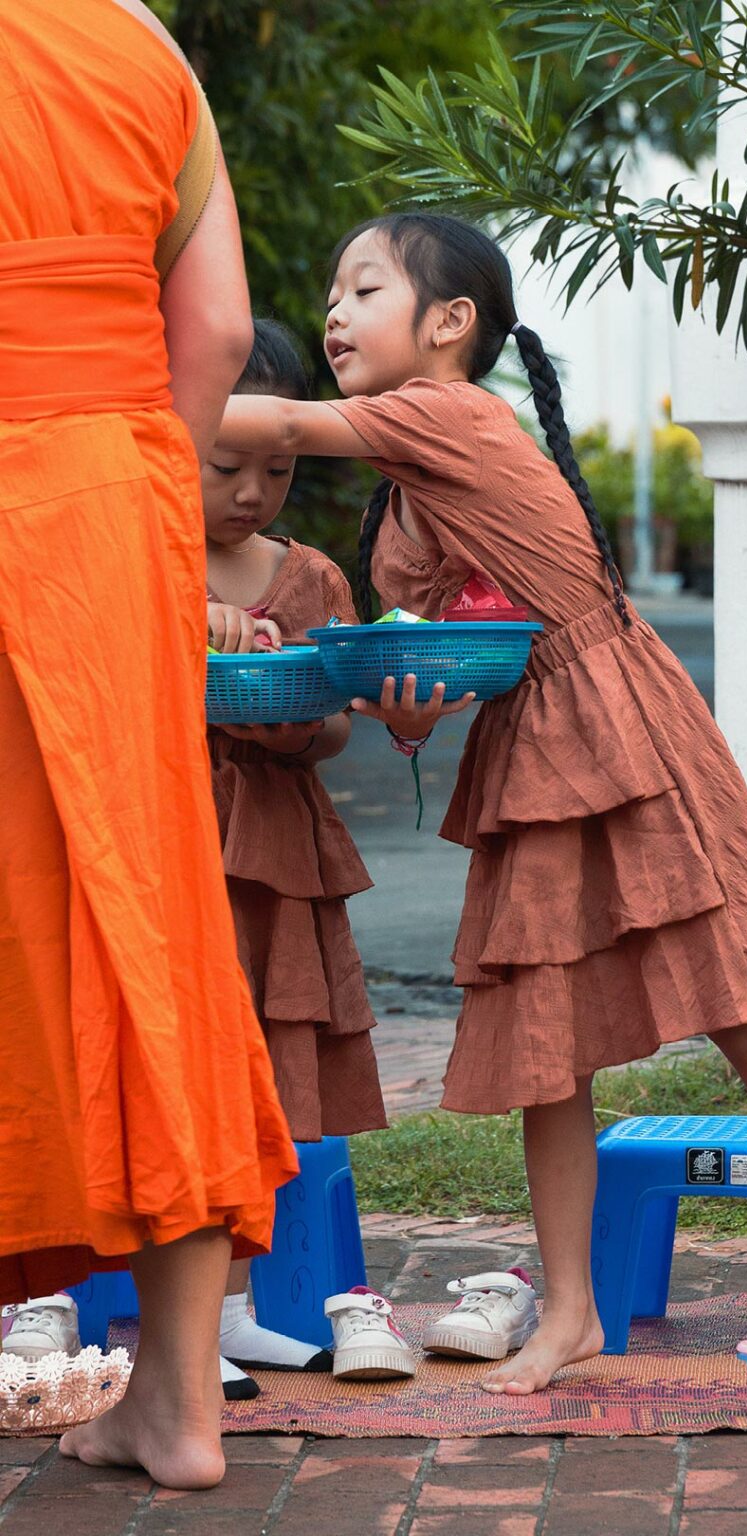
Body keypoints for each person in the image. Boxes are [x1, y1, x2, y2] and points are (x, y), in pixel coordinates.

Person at [218, 211, 747, 1397]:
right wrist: (404, 701)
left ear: (449, 326)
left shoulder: (454, 414)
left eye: (359, 287)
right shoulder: (402, 509)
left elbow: (263, 421)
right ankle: (568, 1310)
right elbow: (424, 700)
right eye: (329, 291)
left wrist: (115, 396)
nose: (331, 312)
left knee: (735, 992)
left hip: (621, 724)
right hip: (530, 756)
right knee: (546, 1040)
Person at [0, 0, 297, 1487]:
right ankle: (179, 1407)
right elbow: (224, 329)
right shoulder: (138, 43)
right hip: (109, 502)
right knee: (149, 923)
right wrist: (133, 483)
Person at [203, 319, 387, 1396]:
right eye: (226, 465)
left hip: (275, 847)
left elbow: (332, 728)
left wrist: (302, 701)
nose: (252, 492)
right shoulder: (138, 552)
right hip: (169, 836)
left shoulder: (310, 577)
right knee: (168, 1064)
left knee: (261, 1074)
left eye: (277, 469)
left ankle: (227, 1318)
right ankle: (45, 1305)